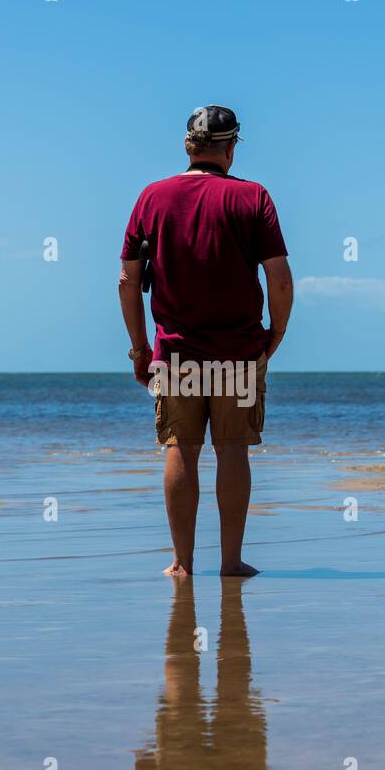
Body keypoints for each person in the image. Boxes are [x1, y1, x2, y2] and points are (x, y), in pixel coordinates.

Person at [118, 105, 293, 578]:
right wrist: (275, 334)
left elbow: (128, 282)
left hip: (175, 355)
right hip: (238, 351)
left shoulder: (152, 197)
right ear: (231, 148)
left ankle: (181, 563)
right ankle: (231, 562)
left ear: (188, 145)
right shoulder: (253, 197)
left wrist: (139, 349)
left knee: (181, 447)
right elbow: (279, 279)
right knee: (232, 449)